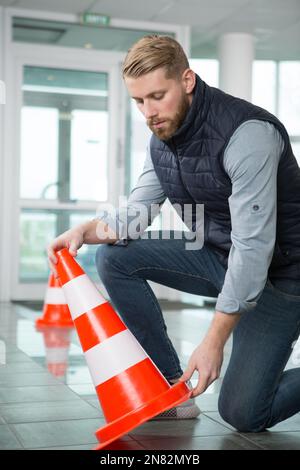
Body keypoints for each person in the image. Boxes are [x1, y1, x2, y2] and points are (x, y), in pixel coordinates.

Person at [48, 35, 300, 431]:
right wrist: (84, 230)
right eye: (138, 101)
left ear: (187, 80)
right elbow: (136, 213)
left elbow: (253, 249)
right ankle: (169, 388)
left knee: (244, 414)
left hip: (281, 275)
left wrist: (213, 340)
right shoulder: (161, 140)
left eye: (157, 96)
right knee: (115, 257)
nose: (148, 112)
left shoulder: (248, 134)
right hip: (219, 255)